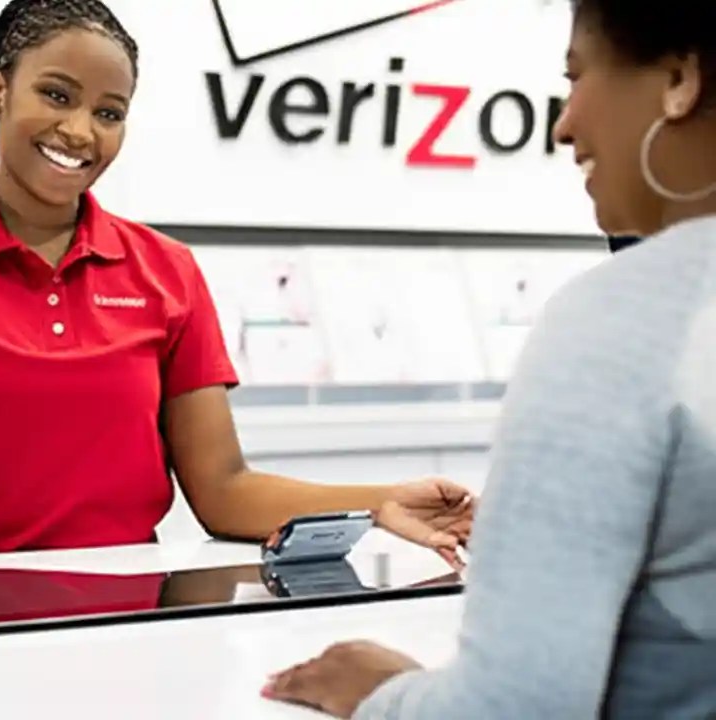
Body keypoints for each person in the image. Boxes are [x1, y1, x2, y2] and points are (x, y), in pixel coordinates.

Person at [0, 0, 474, 594]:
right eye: (57, 95)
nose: (80, 131)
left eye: (108, 113)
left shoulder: (167, 270)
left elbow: (222, 489)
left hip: (126, 605)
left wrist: (383, 501)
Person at [263, 1, 716, 716]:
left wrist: (381, 693)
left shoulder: (617, 321)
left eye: (578, 75)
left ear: (680, 79)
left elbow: (514, 708)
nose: (565, 123)